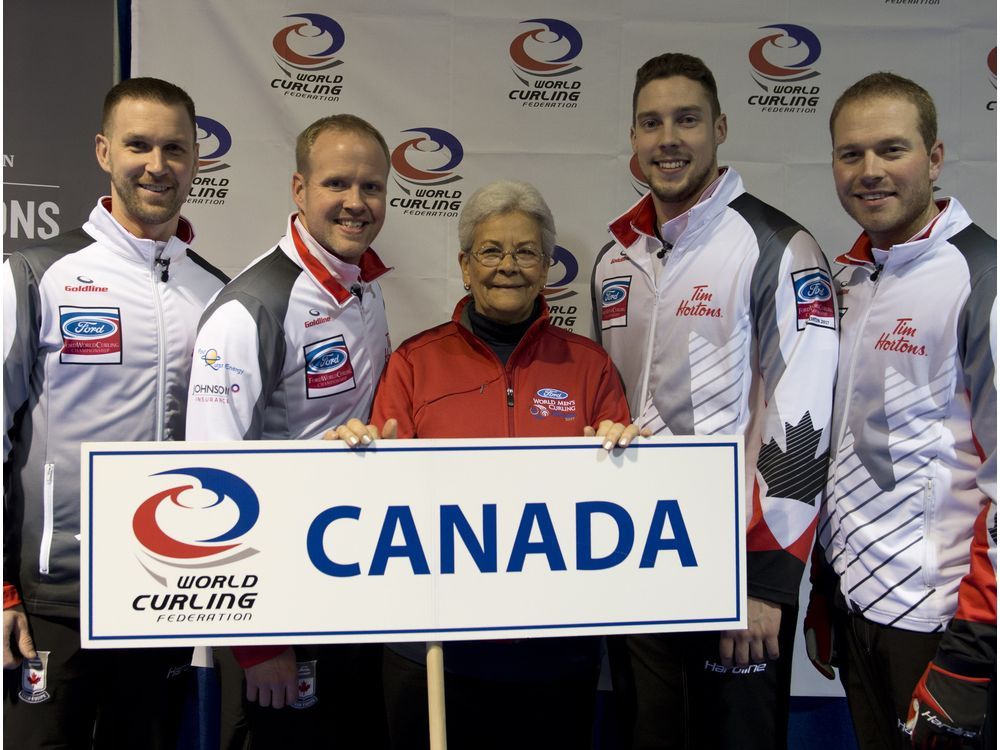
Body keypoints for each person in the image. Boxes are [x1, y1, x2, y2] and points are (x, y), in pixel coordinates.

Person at [328, 179, 640, 749]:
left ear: (548, 267)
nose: (508, 266)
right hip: (433, 651)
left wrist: (626, 455)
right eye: (491, 251)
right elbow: (380, 488)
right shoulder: (414, 363)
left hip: (555, 655)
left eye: (526, 252)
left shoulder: (589, 367)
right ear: (465, 266)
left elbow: (624, 500)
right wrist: (362, 458)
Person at [590, 53, 839, 749]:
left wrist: (766, 579)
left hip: (736, 570)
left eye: (688, 119)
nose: (669, 138)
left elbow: (805, 418)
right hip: (633, 558)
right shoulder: (616, 259)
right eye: (652, 122)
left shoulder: (777, 246)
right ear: (635, 140)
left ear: (721, 128)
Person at [3, 77, 228, 748]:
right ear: (104, 151)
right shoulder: (36, 274)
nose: (156, 165)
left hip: (161, 601)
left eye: (175, 148)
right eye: (138, 145)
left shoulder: (216, 295)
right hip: (50, 602)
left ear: (196, 161)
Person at [184, 113, 393, 748]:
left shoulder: (366, 290)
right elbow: (209, 483)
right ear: (299, 190)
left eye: (373, 187)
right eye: (337, 184)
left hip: (348, 588)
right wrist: (256, 644)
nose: (356, 203)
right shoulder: (253, 309)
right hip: (275, 611)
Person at [805, 71, 996, 750]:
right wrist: (827, 586)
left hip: (943, 625)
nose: (870, 171)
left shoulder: (984, 277)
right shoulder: (848, 279)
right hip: (859, 608)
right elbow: (847, 447)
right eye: (850, 154)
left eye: (892, 150)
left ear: (936, 157)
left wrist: (974, 654)